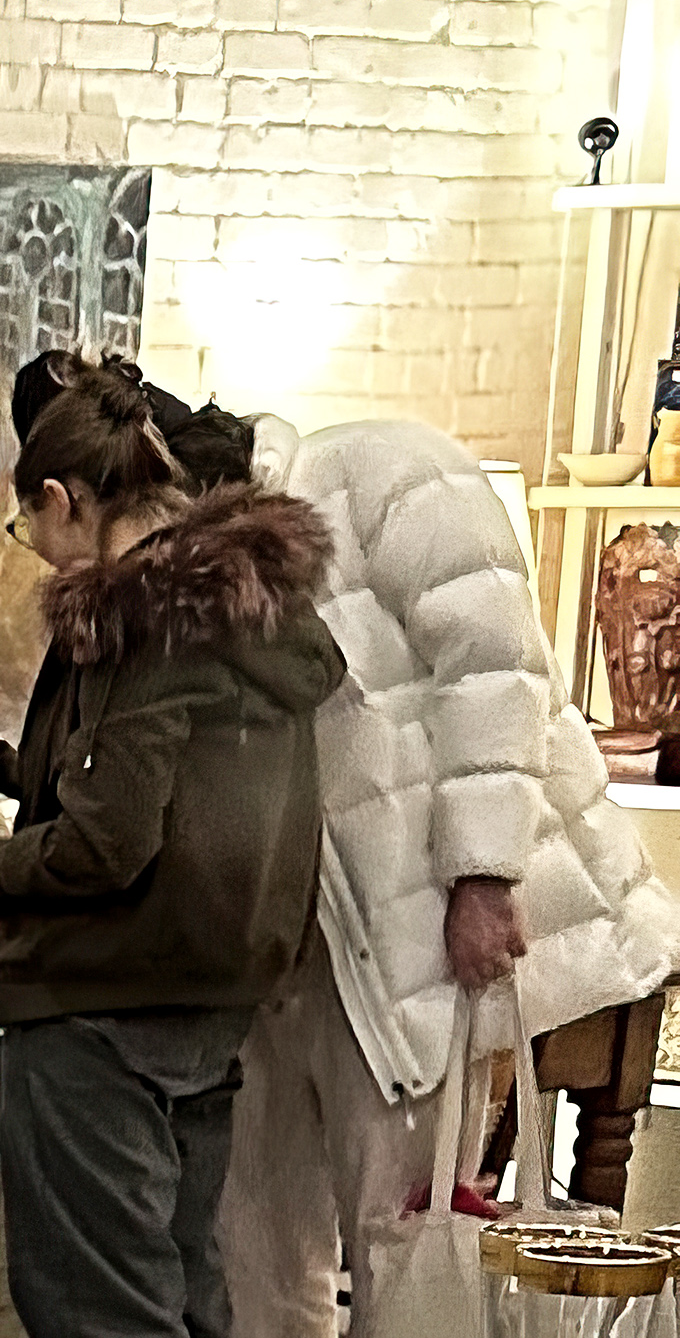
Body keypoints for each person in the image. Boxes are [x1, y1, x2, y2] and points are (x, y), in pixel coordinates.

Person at [13, 360, 680, 1335]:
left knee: (403, 1246)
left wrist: (483, 873)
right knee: (255, 1254)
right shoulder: (188, 581)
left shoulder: (382, 471)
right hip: (282, 952)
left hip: (415, 940)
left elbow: (495, 667)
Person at [0, 355, 344, 1338]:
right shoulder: (244, 605)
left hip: (100, 1009)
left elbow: (103, 844)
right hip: (200, 1001)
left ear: (65, 500)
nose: (38, 555)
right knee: (186, 1301)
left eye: (30, 529)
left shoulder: (141, 614)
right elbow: (148, 791)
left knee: (99, 1311)